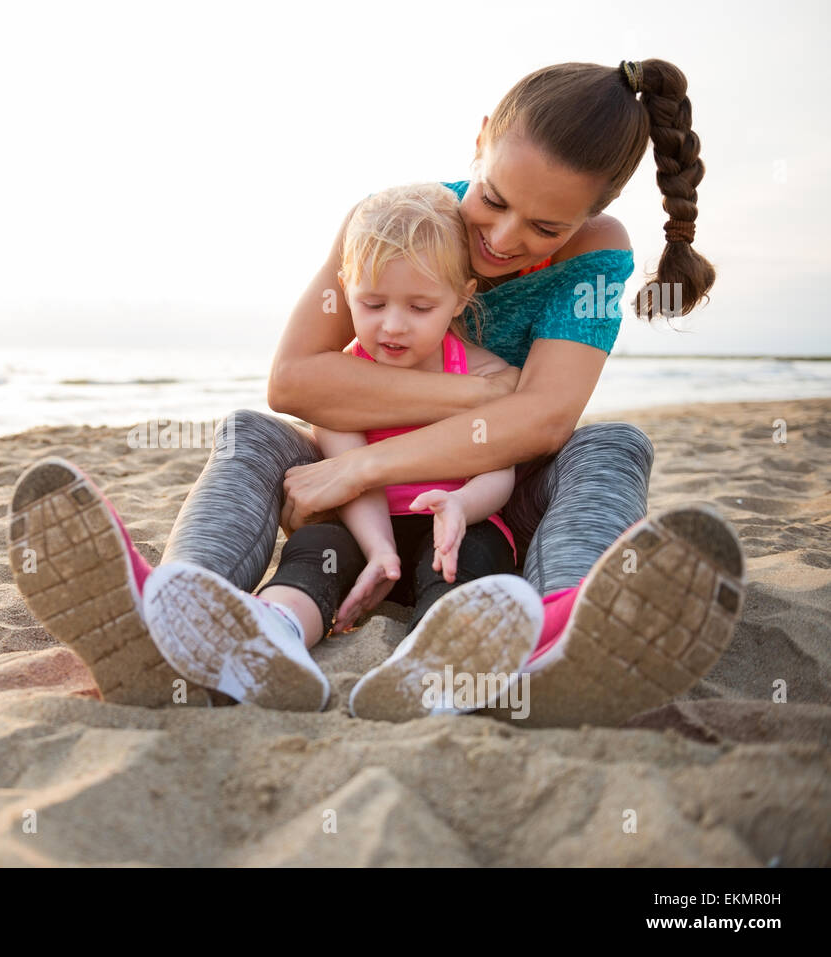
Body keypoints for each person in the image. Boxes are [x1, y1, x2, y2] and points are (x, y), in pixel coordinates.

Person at [6, 59, 747, 727]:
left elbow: (547, 420)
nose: (501, 236)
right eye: (494, 198)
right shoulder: (391, 224)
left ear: (592, 213)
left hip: (485, 512)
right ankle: (183, 613)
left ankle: (562, 634)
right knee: (250, 430)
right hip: (351, 511)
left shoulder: (596, 255)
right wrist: (482, 399)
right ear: (483, 137)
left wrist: (363, 465)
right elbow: (296, 380)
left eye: (546, 225)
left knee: (611, 444)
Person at [141, 182, 545, 717]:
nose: (393, 325)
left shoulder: (487, 375)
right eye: (372, 303)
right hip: (364, 521)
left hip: (458, 522)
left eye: (421, 307)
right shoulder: (340, 380)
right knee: (315, 553)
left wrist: (460, 507)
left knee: (465, 560)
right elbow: (350, 477)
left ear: (461, 299)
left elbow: (499, 468)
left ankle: (437, 660)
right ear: (345, 290)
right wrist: (378, 550)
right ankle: (273, 634)